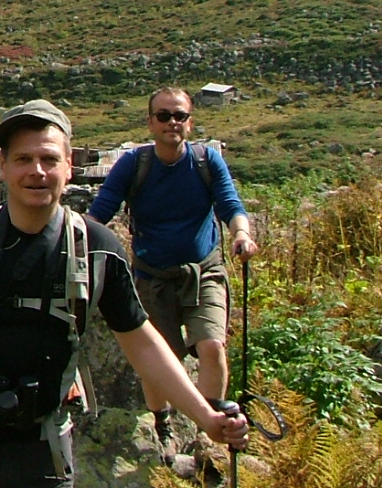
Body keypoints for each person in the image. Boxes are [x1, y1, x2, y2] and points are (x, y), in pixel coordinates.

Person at [0, 99, 249, 487]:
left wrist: (207, 418)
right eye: (24, 159)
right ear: (3, 167)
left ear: (69, 167)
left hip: (44, 447)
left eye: (48, 159)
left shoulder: (98, 250)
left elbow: (143, 344)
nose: (37, 171)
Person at [86, 86, 259, 463]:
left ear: (190, 123)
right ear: (150, 122)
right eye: (164, 116)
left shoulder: (207, 161)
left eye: (179, 116)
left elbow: (230, 203)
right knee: (160, 359)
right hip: (151, 276)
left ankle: (207, 429)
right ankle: (162, 422)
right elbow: (102, 210)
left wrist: (241, 234)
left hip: (204, 271)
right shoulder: (134, 164)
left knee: (212, 347)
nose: (172, 123)